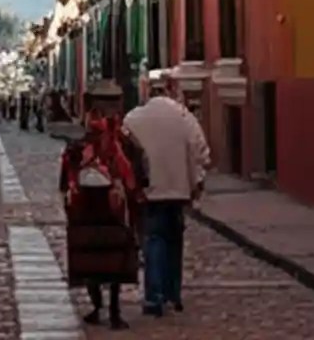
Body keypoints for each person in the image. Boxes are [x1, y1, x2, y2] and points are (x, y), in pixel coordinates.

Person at [60, 80, 148, 331]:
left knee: (92, 259)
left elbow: (66, 178)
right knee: (114, 258)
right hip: (115, 210)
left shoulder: (81, 144)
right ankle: (113, 311)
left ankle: (100, 307)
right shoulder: (125, 142)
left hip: (88, 210)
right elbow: (140, 174)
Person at [124, 70, 211, 317]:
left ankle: (154, 297)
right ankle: (174, 294)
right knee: (174, 241)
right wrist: (196, 183)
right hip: (178, 191)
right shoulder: (183, 116)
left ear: (147, 90)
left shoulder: (133, 118)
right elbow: (200, 152)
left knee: (153, 240)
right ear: (169, 89)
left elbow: (125, 156)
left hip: (149, 192)